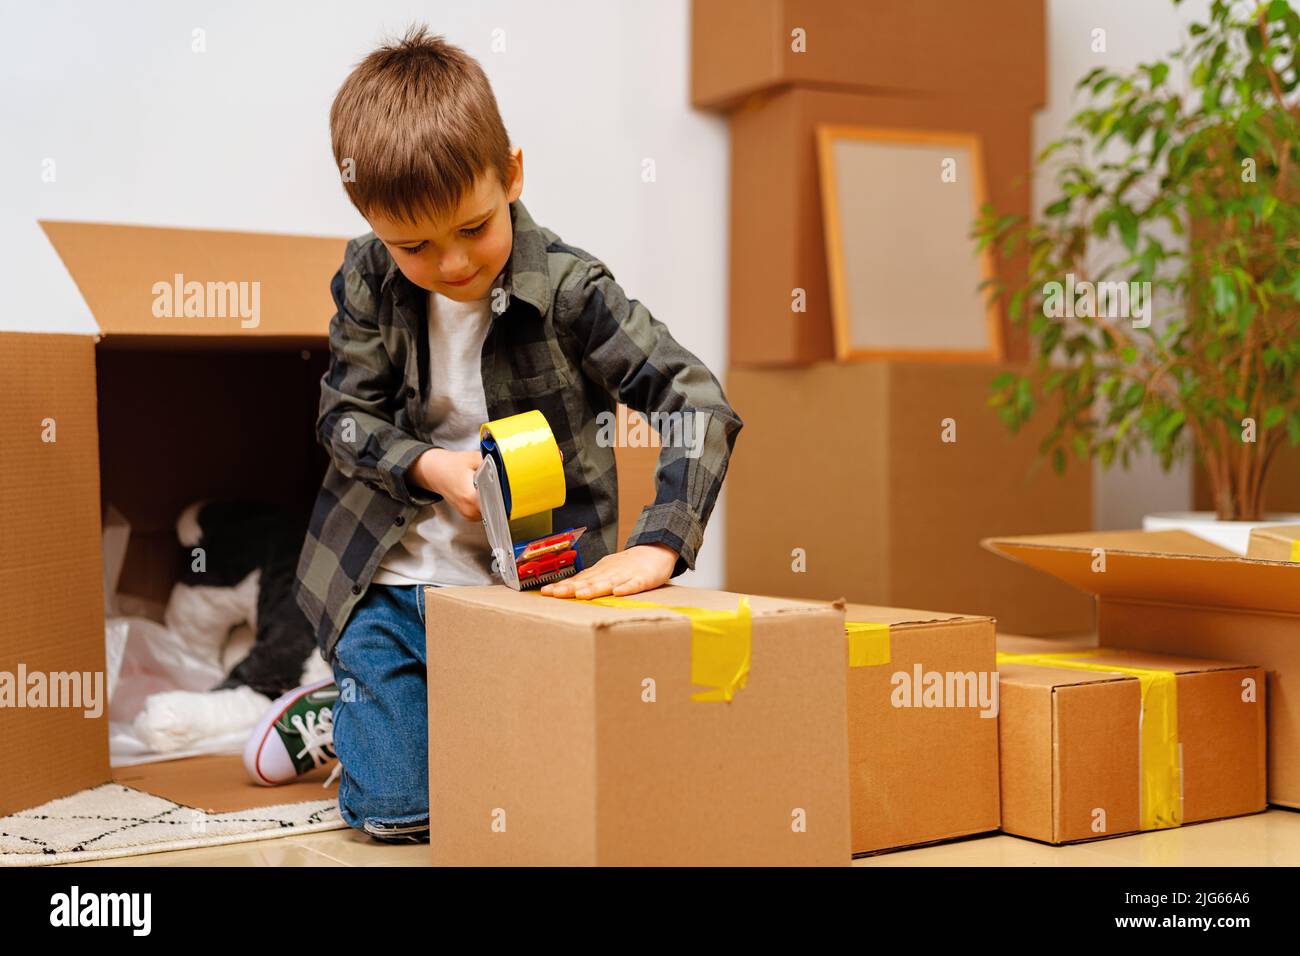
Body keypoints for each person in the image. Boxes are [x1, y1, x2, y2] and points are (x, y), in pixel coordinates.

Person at [269, 25, 742, 843]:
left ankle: (396, 714)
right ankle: (347, 705)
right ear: (372, 222)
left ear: (512, 174)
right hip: (387, 579)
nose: (451, 264)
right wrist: (428, 468)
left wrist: (660, 543)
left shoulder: (569, 290)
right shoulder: (367, 278)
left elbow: (694, 399)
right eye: (412, 245)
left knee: (549, 799)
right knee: (400, 814)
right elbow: (343, 418)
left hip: (527, 592)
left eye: (472, 228)